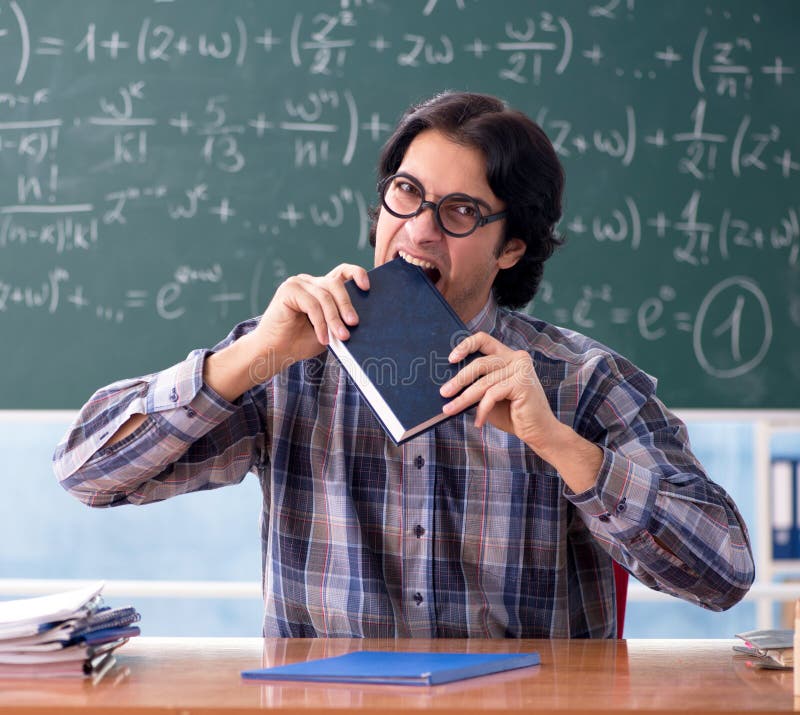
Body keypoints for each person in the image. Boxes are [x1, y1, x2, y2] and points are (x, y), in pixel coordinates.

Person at [54, 91, 754, 639]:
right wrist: (247, 359)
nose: (418, 227)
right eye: (407, 193)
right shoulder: (292, 358)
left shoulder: (582, 382)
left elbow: (723, 573)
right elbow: (86, 471)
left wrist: (563, 447)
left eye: (459, 211)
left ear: (512, 246)